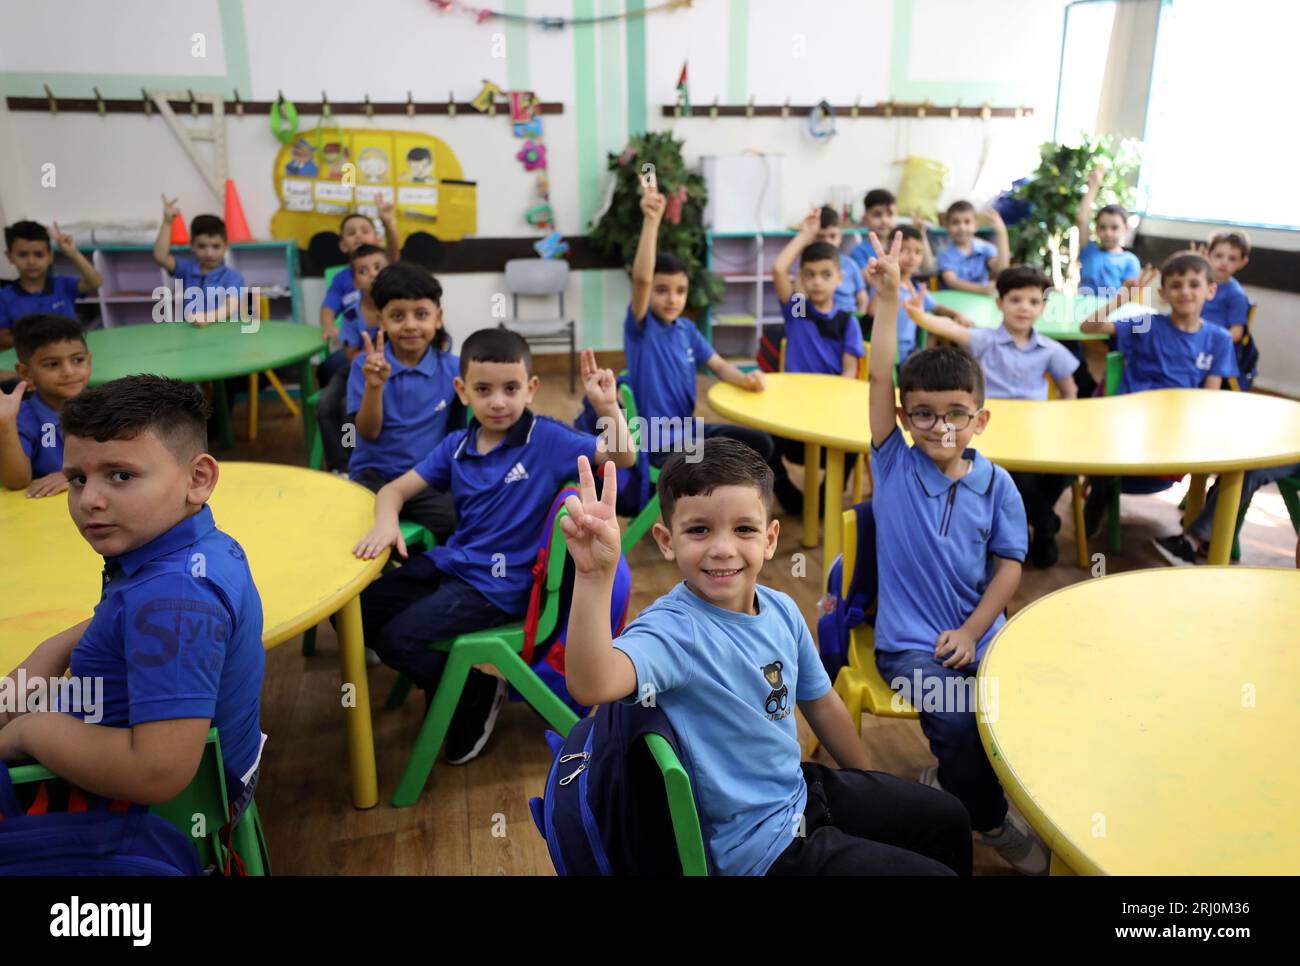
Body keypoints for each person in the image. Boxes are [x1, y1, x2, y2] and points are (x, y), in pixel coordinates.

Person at [558, 439, 973, 875]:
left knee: (951, 817)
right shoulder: (674, 631)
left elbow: (823, 704)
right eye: (699, 530)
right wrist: (593, 576)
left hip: (799, 793)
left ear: (770, 538)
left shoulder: (781, 608)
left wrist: (869, 785)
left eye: (744, 529)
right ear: (666, 541)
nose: (722, 548)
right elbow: (592, 683)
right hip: (759, 849)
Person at [352, 332, 635, 764]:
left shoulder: (546, 439)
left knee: (397, 639)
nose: (498, 402)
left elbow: (623, 455)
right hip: (453, 564)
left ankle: (478, 687)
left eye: (510, 389)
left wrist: (606, 408)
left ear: (531, 389)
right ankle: (469, 681)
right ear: (462, 392)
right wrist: (386, 523)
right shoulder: (457, 446)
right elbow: (393, 490)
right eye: (483, 390)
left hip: (497, 589)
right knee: (357, 612)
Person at [0, 376, 265, 822]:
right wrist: (54, 649)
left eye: (121, 475)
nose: (90, 500)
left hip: (154, 811)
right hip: (129, 743)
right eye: (78, 479)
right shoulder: (188, 547)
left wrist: (32, 731)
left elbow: (157, 775)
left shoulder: (174, 597)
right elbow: (124, 620)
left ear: (198, 478)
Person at [864, 230, 1046, 874]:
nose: (939, 426)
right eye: (923, 414)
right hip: (907, 646)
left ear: (980, 419)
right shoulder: (891, 463)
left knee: (1033, 702)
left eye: (956, 414)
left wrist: (973, 630)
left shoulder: (997, 483)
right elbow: (880, 371)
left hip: (986, 635)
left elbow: (1011, 567)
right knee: (958, 717)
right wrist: (889, 300)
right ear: (904, 417)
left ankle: (967, 785)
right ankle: (993, 822)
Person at [905, 265, 1079, 566]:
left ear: (1043, 307)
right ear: (1000, 304)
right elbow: (949, 328)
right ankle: (1045, 523)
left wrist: (1060, 426)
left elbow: (1070, 392)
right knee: (1018, 474)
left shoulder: (1051, 349)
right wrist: (919, 315)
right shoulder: (983, 340)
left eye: (1033, 301)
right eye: (1015, 300)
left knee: (1065, 468)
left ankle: (1037, 522)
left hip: (1035, 431)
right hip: (992, 430)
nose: (1024, 308)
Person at [1079, 251, 1237, 534]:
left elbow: (1209, 399)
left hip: (1175, 431)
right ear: (1163, 294)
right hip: (1129, 425)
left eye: (1193, 284)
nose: (1185, 291)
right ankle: (1095, 504)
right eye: (1176, 285)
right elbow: (1088, 327)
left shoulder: (1218, 338)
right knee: (1103, 442)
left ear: (1210, 291)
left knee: (1237, 463)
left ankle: (1198, 534)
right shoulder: (1148, 323)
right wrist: (1120, 300)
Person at [626, 180, 773, 470]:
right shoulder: (642, 327)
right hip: (662, 447)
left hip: (692, 433)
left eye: (679, 291)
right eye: (662, 290)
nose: (672, 298)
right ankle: (709, 509)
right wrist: (651, 222)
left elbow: (718, 366)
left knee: (761, 444)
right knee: (724, 467)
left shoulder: (687, 330)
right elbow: (642, 278)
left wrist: (746, 379)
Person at [346, 262, 460, 542]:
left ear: (438, 317)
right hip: (373, 475)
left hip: (424, 478)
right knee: (352, 526)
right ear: (381, 320)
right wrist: (375, 386)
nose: (410, 325)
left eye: (421, 314)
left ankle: (423, 568)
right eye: (397, 316)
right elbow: (368, 432)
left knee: (460, 518)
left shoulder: (455, 369)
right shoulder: (366, 366)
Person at [0, 313, 91, 496]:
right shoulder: (22, 417)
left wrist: (75, 474)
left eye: (78, 360)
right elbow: (17, 482)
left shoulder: (108, 405)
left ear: (89, 360)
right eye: (52, 364)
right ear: (25, 372)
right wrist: (5, 423)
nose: (69, 371)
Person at [0, 220, 101, 350]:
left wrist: (73, 253)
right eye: (23, 255)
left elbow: (96, 282)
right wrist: (42, 342)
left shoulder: (63, 284)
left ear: (50, 256)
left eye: (39, 254)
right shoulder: (4, 297)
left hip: (69, 355)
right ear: (10, 256)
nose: (31, 261)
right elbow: (2, 338)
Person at [935, 201, 1008, 294]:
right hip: (953, 302)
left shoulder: (985, 248)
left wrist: (1002, 233)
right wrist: (982, 289)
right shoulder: (944, 253)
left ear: (976, 225)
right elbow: (952, 282)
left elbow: (1001, 269)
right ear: (946, 226)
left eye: (967, 222)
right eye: (955, 222)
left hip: (979, 303)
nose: (962, 227)